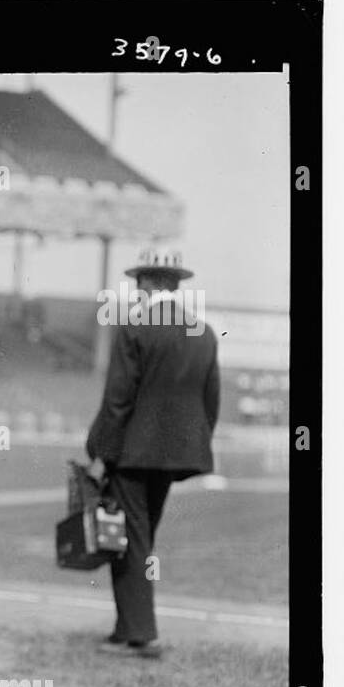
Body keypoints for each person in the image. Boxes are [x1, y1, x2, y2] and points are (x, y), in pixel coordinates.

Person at [86, 247, 220, 659]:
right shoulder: (204, 332)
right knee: (141, 538)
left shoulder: (134, 327)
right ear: (176, 284)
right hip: (175, 456)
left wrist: (99, 453)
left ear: (145, 283)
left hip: (132, 455)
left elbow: (118, 401)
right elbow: (210, 400)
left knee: (129, 540)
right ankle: (127, 628)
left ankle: (139, 634)